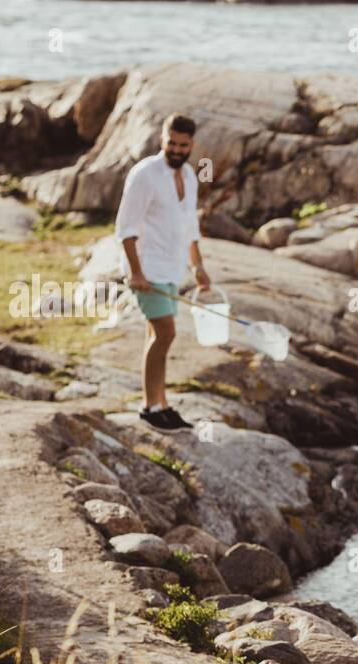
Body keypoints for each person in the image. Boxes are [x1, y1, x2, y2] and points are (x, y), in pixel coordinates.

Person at [115, 112, 210, 431]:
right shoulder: (144, 174)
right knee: (166, 333)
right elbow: (125, 227)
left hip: (172, 268)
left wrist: (198, 266)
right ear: (162, 139)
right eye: (171, 143)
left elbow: (190, 226)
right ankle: (149, 407)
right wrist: (135, 272)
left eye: (183, 145)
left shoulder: (189, 175)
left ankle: (161, 403)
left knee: (157, 336)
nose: (177, 150)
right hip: (148, 269)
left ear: (192, 144)